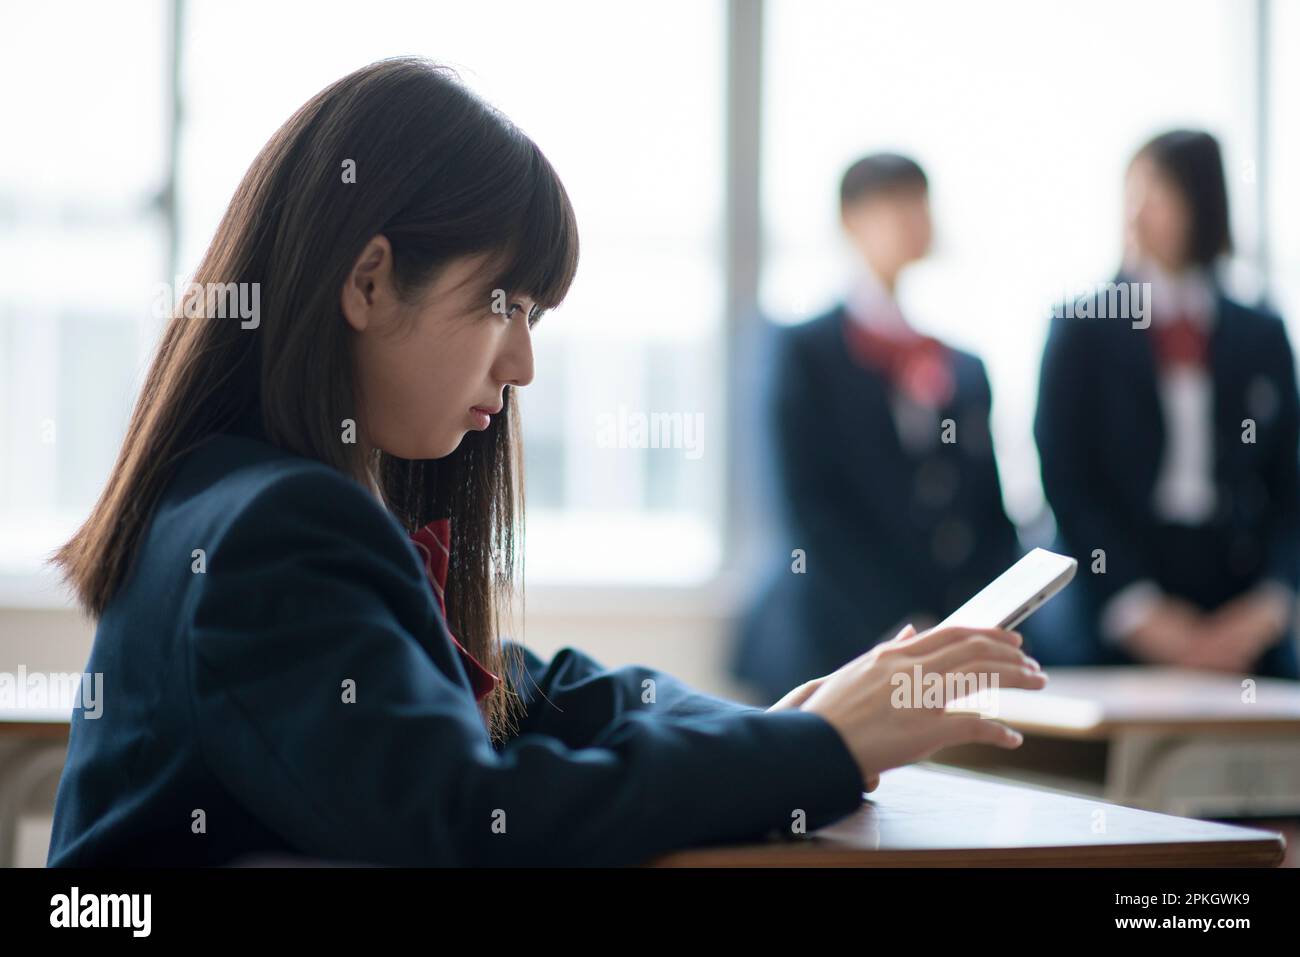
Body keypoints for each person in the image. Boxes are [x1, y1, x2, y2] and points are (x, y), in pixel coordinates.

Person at [46, 60, 1044, 867]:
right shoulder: (275, 529)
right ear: (368, 280)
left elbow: (530, 692)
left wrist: (797, 724)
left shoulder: (241, 497)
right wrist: (810, 749)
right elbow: (467, 814)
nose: (521, 365)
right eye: (505, 307)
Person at [733, 153, 1022, 703]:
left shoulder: (962, 364)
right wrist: (900, 624)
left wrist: (979, 618)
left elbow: (988, 510)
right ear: (850, 221)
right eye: (893, 203)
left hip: (943, 640)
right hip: (828, 640)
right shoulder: (802, 350)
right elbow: (805, 509)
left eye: (920, 202)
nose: (913, 218)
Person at [1035, 129, 1300, 679]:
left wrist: (1269, 606)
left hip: (1237, 592)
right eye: (1133, 192)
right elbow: (1066, 477)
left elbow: (1288, 482)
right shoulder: (1082, 326)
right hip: (1115, 592)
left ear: (1202, 199)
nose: (1139, 211)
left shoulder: (1260, 331)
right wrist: (1137, 610)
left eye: (1159, 192)